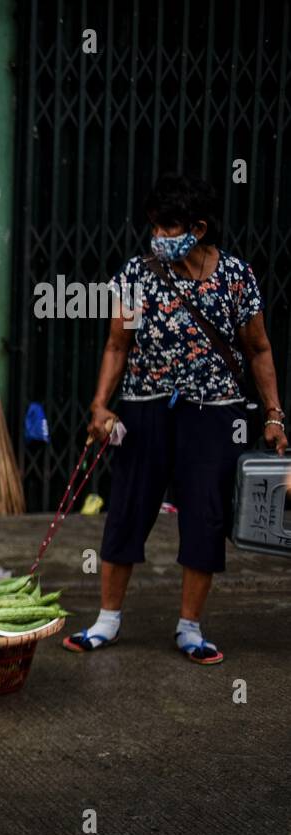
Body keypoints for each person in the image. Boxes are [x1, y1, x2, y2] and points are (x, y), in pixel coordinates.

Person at [69, 172, 286, 664]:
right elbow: (116, 345)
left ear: (200, 227)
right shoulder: (137, 275)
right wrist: (100, 406)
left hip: (215, 413)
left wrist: (274, 414)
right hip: (145, 406)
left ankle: (190, 628)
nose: (161, 238)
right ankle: (107, 619)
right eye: (156, 228)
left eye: (171, 229)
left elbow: (258, 349)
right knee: (127, 507)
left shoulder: (236, 276)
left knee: (205, 516)